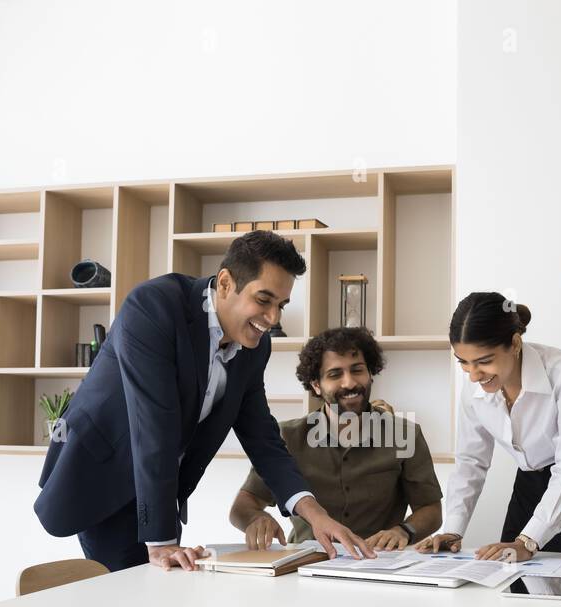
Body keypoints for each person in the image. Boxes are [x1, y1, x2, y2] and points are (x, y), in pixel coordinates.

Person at [33, 230, 374, 571]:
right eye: (264, 300)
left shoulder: (255, 348)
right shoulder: (154, 306)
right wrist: (164, 542)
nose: (273, 319)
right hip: (104, 475)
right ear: (225, 283)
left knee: (157, 595)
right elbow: (155, 424)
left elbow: (263, 438)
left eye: (281, 305)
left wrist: (315, 515)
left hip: (158, 487)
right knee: (130, 599)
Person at [415, 292, 561, 562]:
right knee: (509, 578)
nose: (473, 375)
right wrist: (453, 530)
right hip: (528, 483)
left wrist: (528, 541)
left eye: (483, 361)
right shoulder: (475, 387)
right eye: (463, 363)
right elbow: (471, 462)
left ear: (515, 343)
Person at [230, 327, 443, 550]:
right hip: (305, 563)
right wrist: (255, 520)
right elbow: (243, 506)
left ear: (370, 373)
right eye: (335, 374)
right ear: (316, 385)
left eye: (357, 370)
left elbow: (431, 509)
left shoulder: (405, 434)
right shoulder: (287, 437)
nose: (349, 383)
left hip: (378, 562)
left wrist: (404, 531)